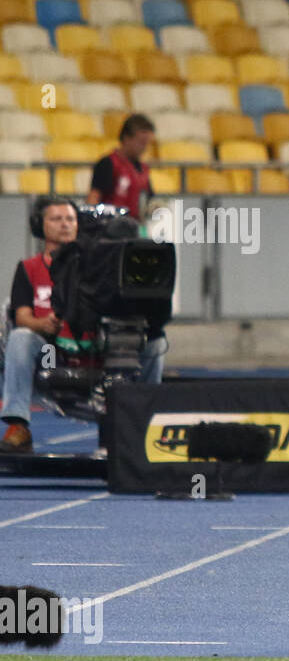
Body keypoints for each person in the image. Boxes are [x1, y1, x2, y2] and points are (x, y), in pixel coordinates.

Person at [1, 197, 164, 454]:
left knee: (154, 343)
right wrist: (42, 325)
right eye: (56, 219)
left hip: (102, 347)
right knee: (21, 337)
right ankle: (18, 426)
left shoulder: (102, 266)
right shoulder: (28, 268)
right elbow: (21, 316)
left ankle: (145, 423)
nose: (64, 225)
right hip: (53, 353)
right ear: (38, 226)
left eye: (70, 219)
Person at [86, 114, 154, 219]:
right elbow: (93, 198)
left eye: (147, 144)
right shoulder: (108, 163)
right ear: (126, 138)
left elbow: (149, 200)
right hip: (110, 227)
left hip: (134, 228)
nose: (144, 148)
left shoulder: (143, 169)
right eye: (141, 142)